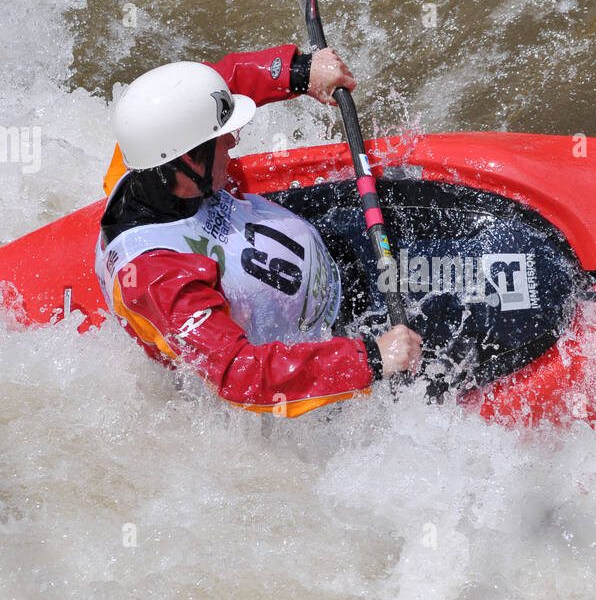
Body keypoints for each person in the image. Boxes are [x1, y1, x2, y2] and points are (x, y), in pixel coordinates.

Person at [95, 42, 422, 416]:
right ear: (188, 159)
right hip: (327, 350)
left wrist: (299, 72)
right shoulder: (159, 278)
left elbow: (204, 88)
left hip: (328, 264)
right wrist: (371, 359)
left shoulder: (145, 156)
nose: (233, 142)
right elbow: (239, 375)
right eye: (222, 140)